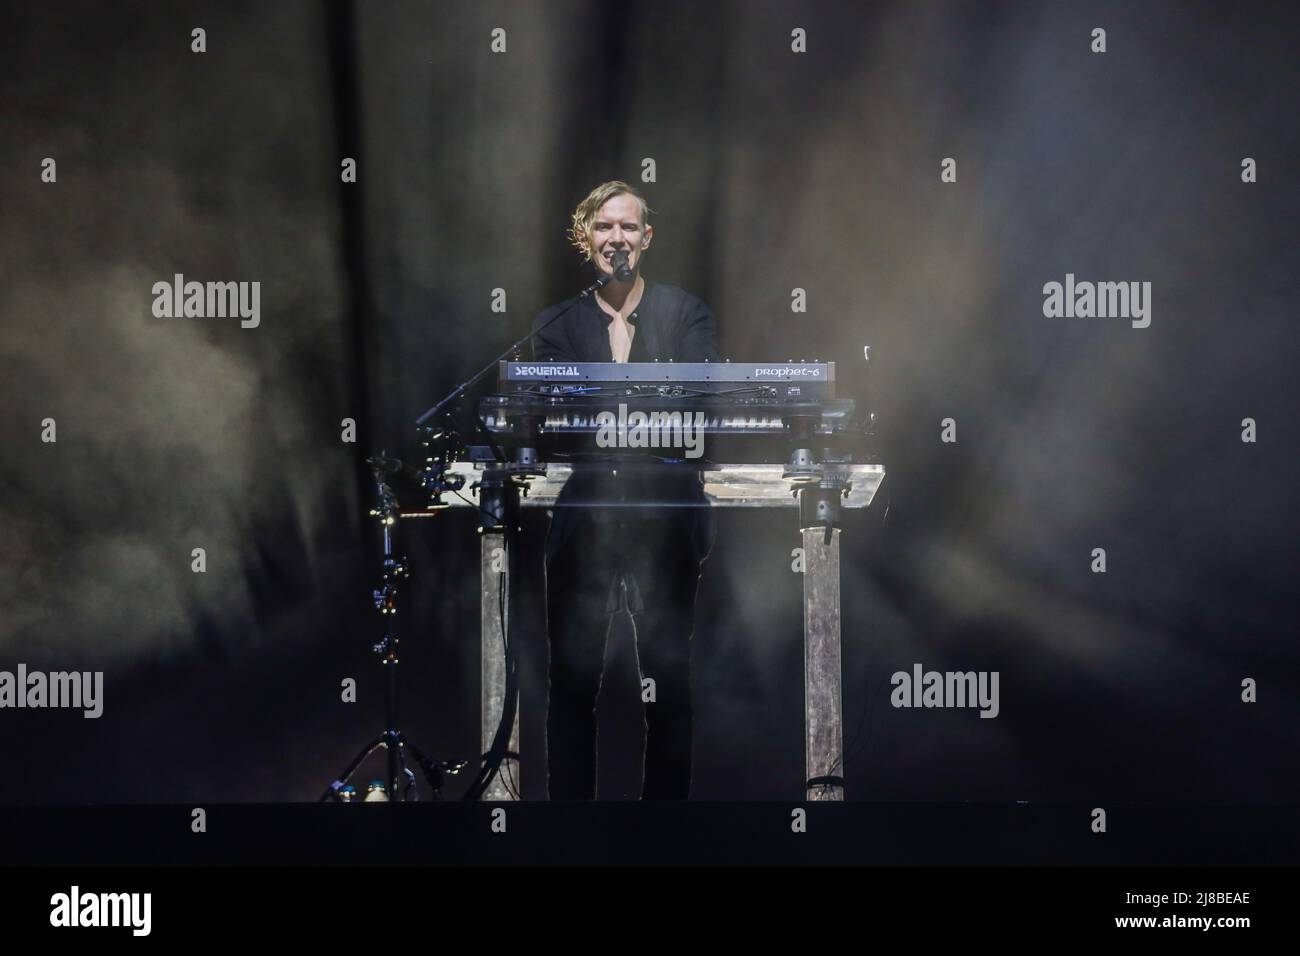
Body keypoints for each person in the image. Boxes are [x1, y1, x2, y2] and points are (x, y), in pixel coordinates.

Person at [532, 181, 719, 800]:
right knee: (572, 682)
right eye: (605, 228)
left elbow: (695, 402)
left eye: (629, 228)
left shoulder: (685, 312)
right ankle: (571, 838)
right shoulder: (557, 323)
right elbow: (555, 418)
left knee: (668, 682)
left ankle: (664, 837)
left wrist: (615, 404)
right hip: (585, 524)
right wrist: (637, 403)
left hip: (664, 520)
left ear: (647, 239)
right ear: (586, 239)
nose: (618, 238)